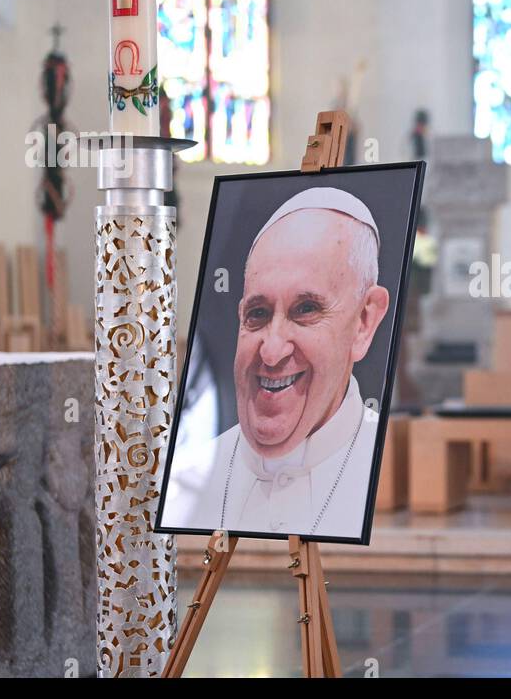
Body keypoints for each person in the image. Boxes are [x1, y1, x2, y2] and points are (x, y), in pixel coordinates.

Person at [164, 187, 389, 538]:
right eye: (257, 314)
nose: (271, 352)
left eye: (306, 310)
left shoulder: (391, 470)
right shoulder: (186, 485)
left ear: (364, 321)